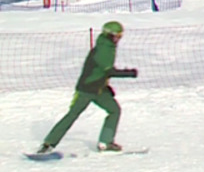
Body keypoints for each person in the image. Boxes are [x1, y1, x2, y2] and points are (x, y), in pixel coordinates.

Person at [36, 20, 138, 154]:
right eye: (117, 36)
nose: (118, 39)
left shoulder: (108, 47)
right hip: (87, 89)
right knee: (72, 115)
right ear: (109, 35)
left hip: (99, 89)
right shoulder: (104, 48)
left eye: (120, 36)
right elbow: (108, 70)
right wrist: (129, 73)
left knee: (114, 110)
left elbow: (101, 72)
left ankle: (105, 143)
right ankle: (48, 144)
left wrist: (106, 85)